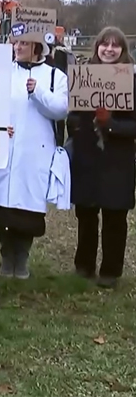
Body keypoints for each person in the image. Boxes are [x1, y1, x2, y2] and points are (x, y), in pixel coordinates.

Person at [0, 36, 68, 280]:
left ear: (36, 46)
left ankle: (22, 257)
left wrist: (38, 91)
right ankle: (6, 256)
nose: (18, 47)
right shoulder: (4, 72)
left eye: (23, 43)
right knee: (4, 206)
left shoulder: (54, 76)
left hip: (35, 152)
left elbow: (61, 109)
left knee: (28, 207)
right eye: (16, 43)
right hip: (7, 147)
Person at [68, 27, 136, 288]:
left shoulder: (131, 80)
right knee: (86, 213)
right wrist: (78, 124)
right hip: (88, 156)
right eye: (104, 44)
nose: (109, 49)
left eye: (115, 45)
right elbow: (73, 115)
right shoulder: (84, 76)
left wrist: (111, 125)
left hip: (118, 160)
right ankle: (84, 265)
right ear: (97, 47)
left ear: (122, 50)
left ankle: (110, 271)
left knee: (114, 216)